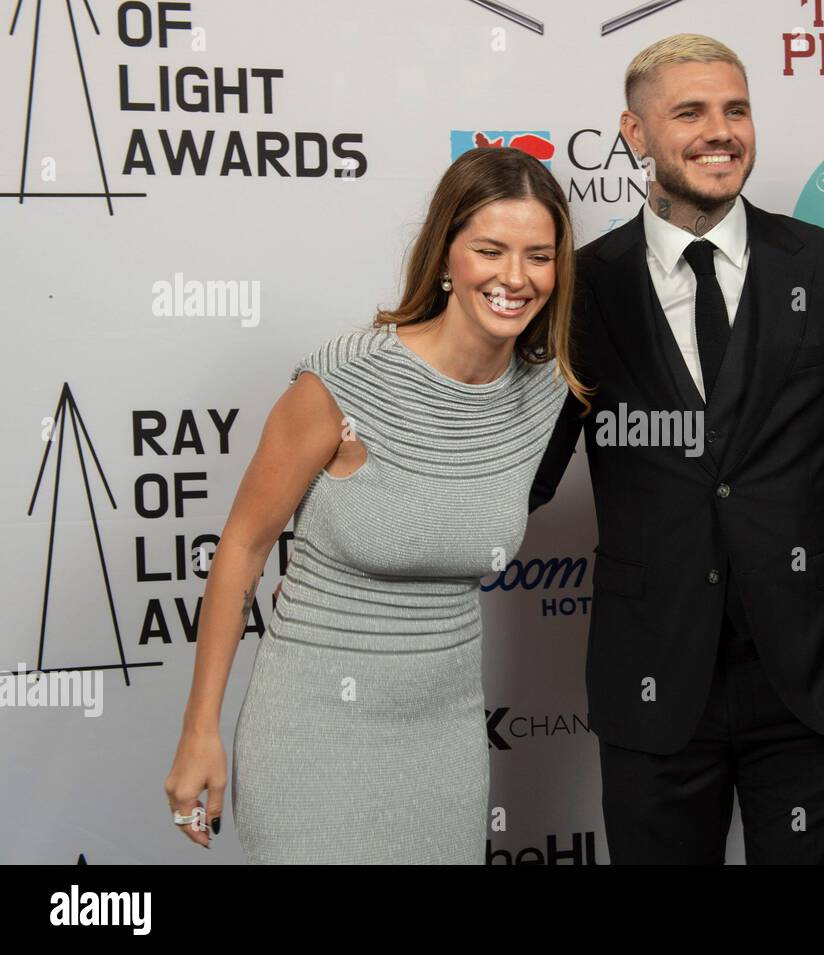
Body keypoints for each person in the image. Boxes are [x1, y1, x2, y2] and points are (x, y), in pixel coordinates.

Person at [528, 34, 824, 864]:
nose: (721, 131)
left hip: (818, 678)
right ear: (634, 134)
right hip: (654, 679)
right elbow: (529, 474)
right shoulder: (582, 288)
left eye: (736, 109)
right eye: (691, 112)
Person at [164, 146, 587, 863]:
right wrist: (199, 729)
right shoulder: (345, 379)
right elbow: (241, 545)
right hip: (312, 730)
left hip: (445, 740)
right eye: (490, 249)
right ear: (446, 256)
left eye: (538, 256)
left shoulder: (548, 395)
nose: (515, 278)